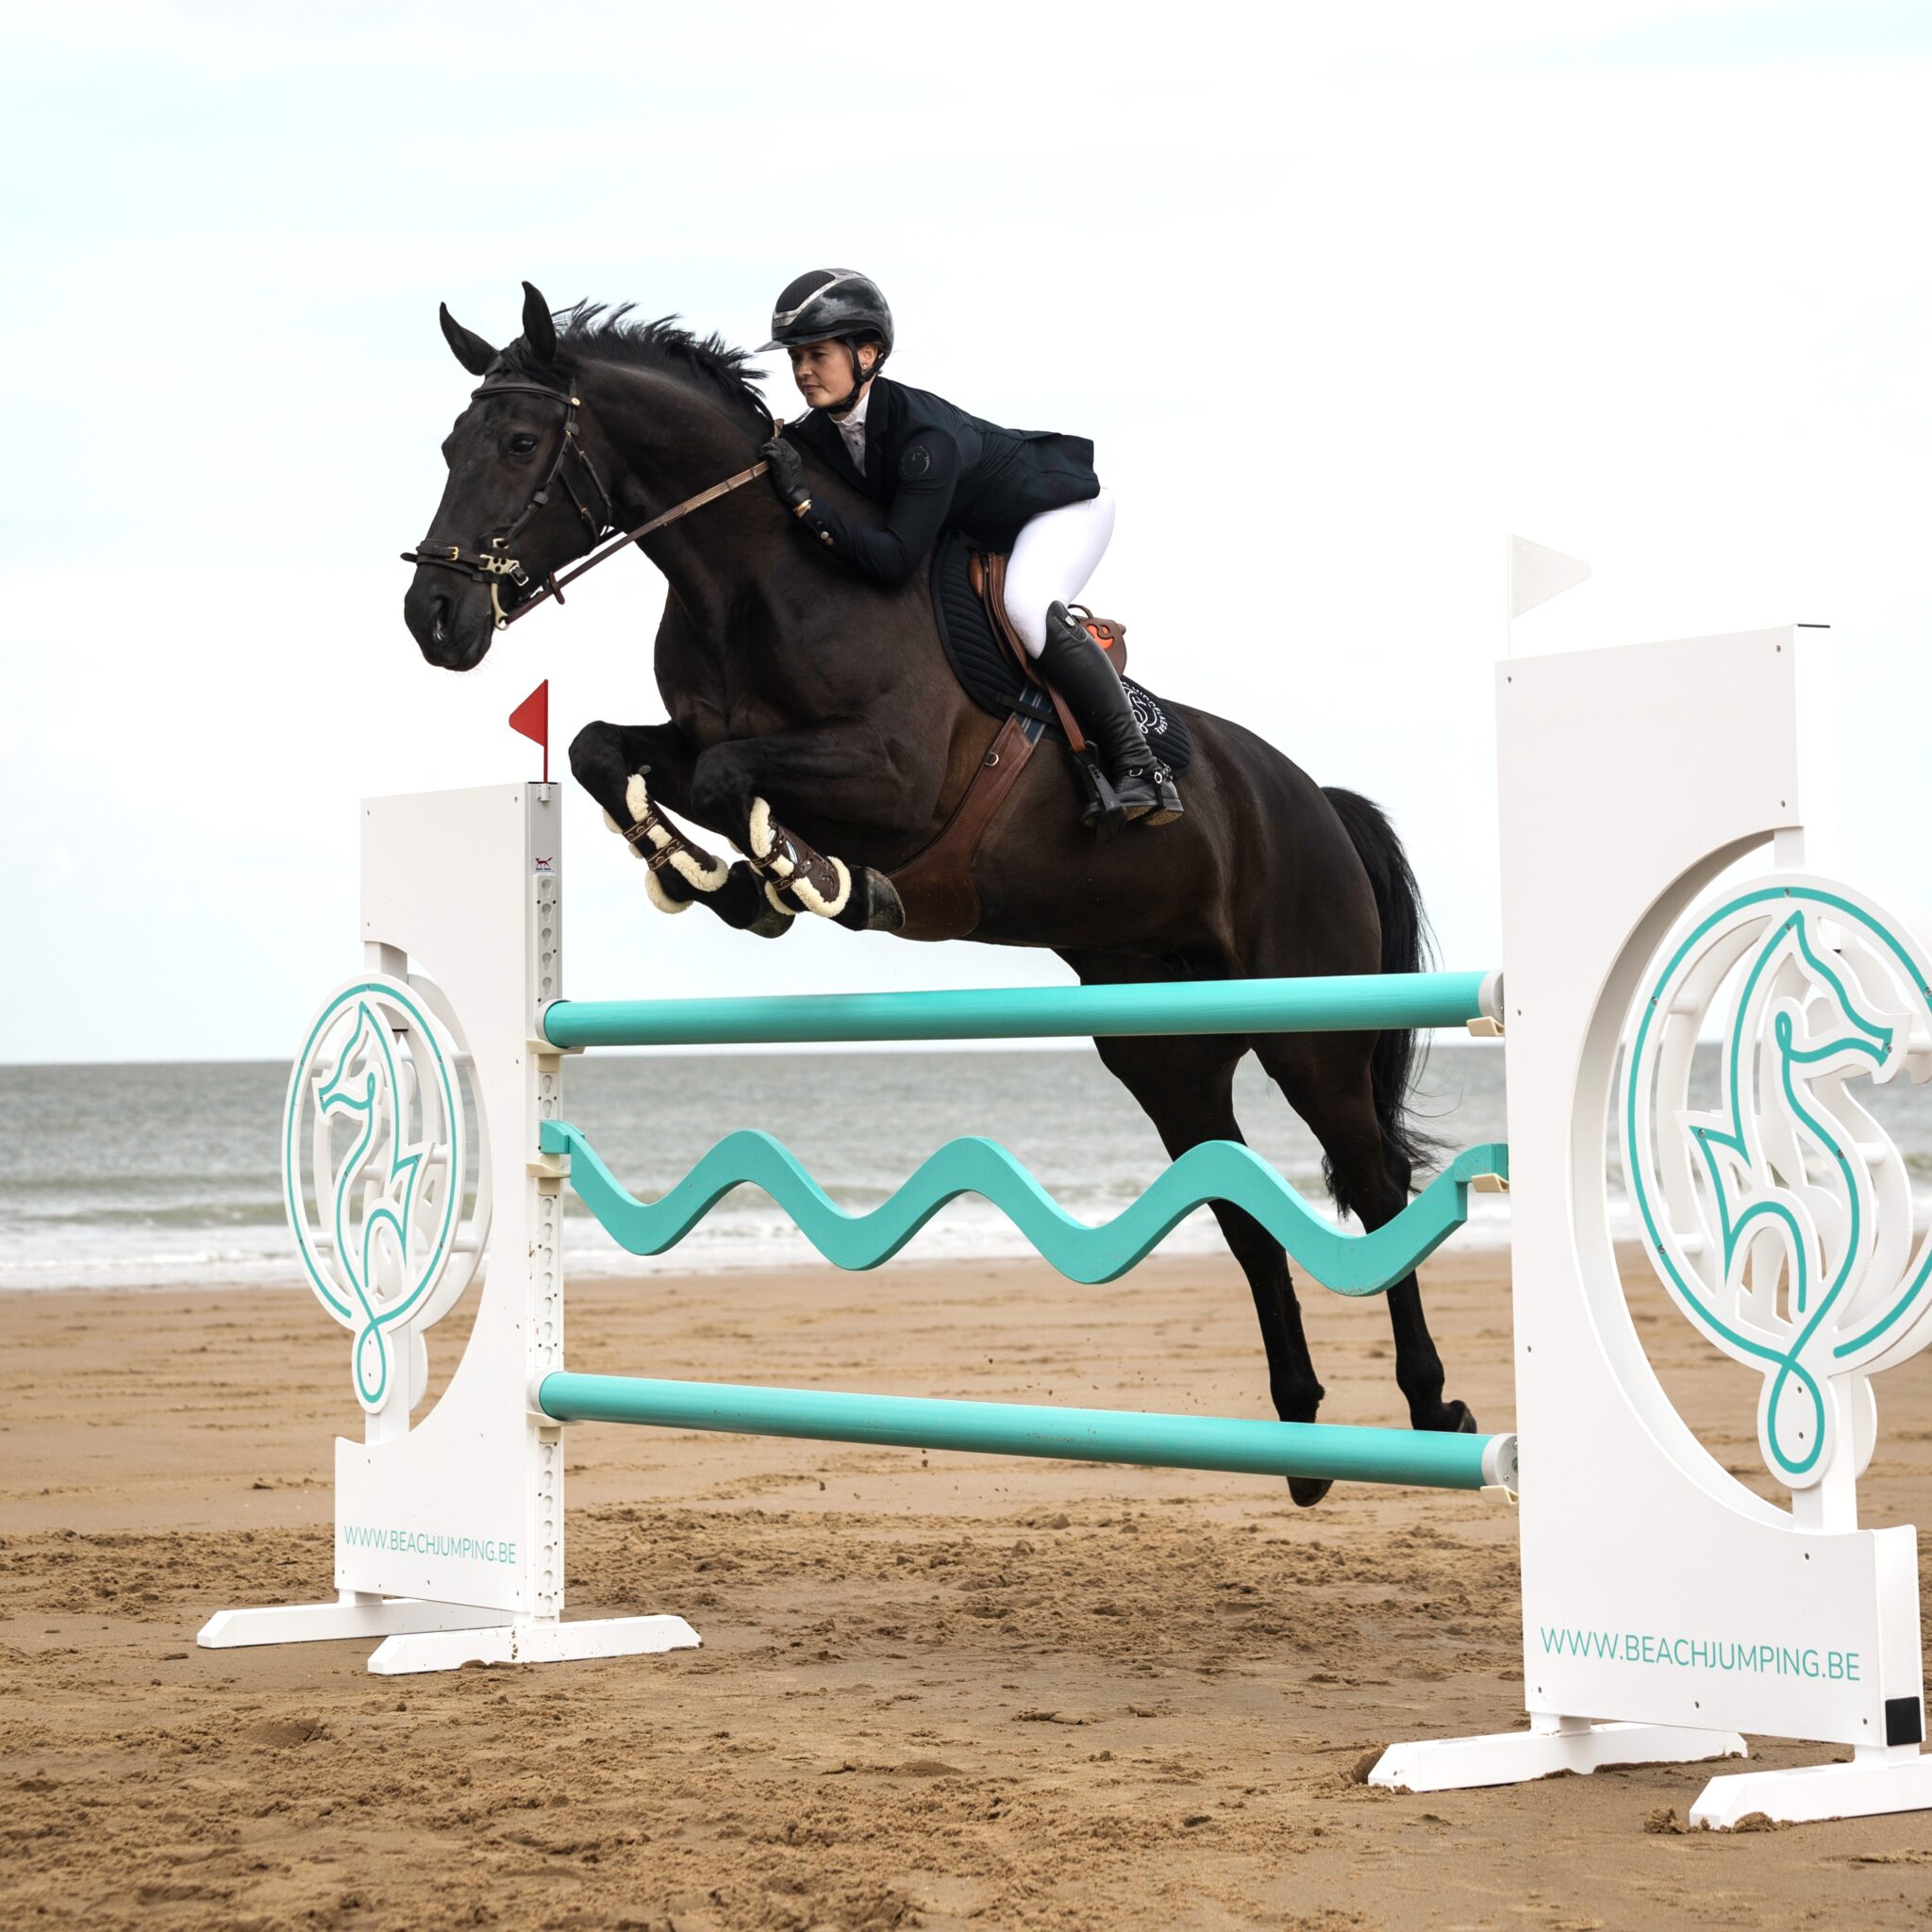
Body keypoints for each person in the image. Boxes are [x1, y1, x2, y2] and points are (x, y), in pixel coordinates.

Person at [757, 269, 1180, 827]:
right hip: (981, 528)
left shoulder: (923, 439)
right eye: (795, 358)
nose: (803, 371)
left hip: (1061, 510)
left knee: (1027, 607)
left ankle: (1142, 768)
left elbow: (893, 561)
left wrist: (808, 507)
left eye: (817, 355)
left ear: (868, 354)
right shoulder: (825, 429)